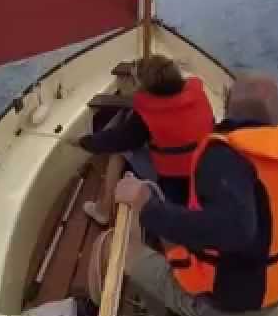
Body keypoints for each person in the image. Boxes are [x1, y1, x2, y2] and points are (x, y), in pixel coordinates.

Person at [89, 74, 278, 316]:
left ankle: (133, 312)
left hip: (219, 308)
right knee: (170, 225)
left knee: (111, 245)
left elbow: (235, 230)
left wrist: (145, 205)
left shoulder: (224, 156)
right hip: (275, 294)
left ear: (226, 103)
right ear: (277, 117)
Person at [78, 54, 215, 223]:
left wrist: (84, 142)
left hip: (173, 178)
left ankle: (103, 210)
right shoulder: (198, 95)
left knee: (120, 151)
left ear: (147, 88)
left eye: (135, 82)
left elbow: (119, 139)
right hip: (204, 170)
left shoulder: (146, 116)